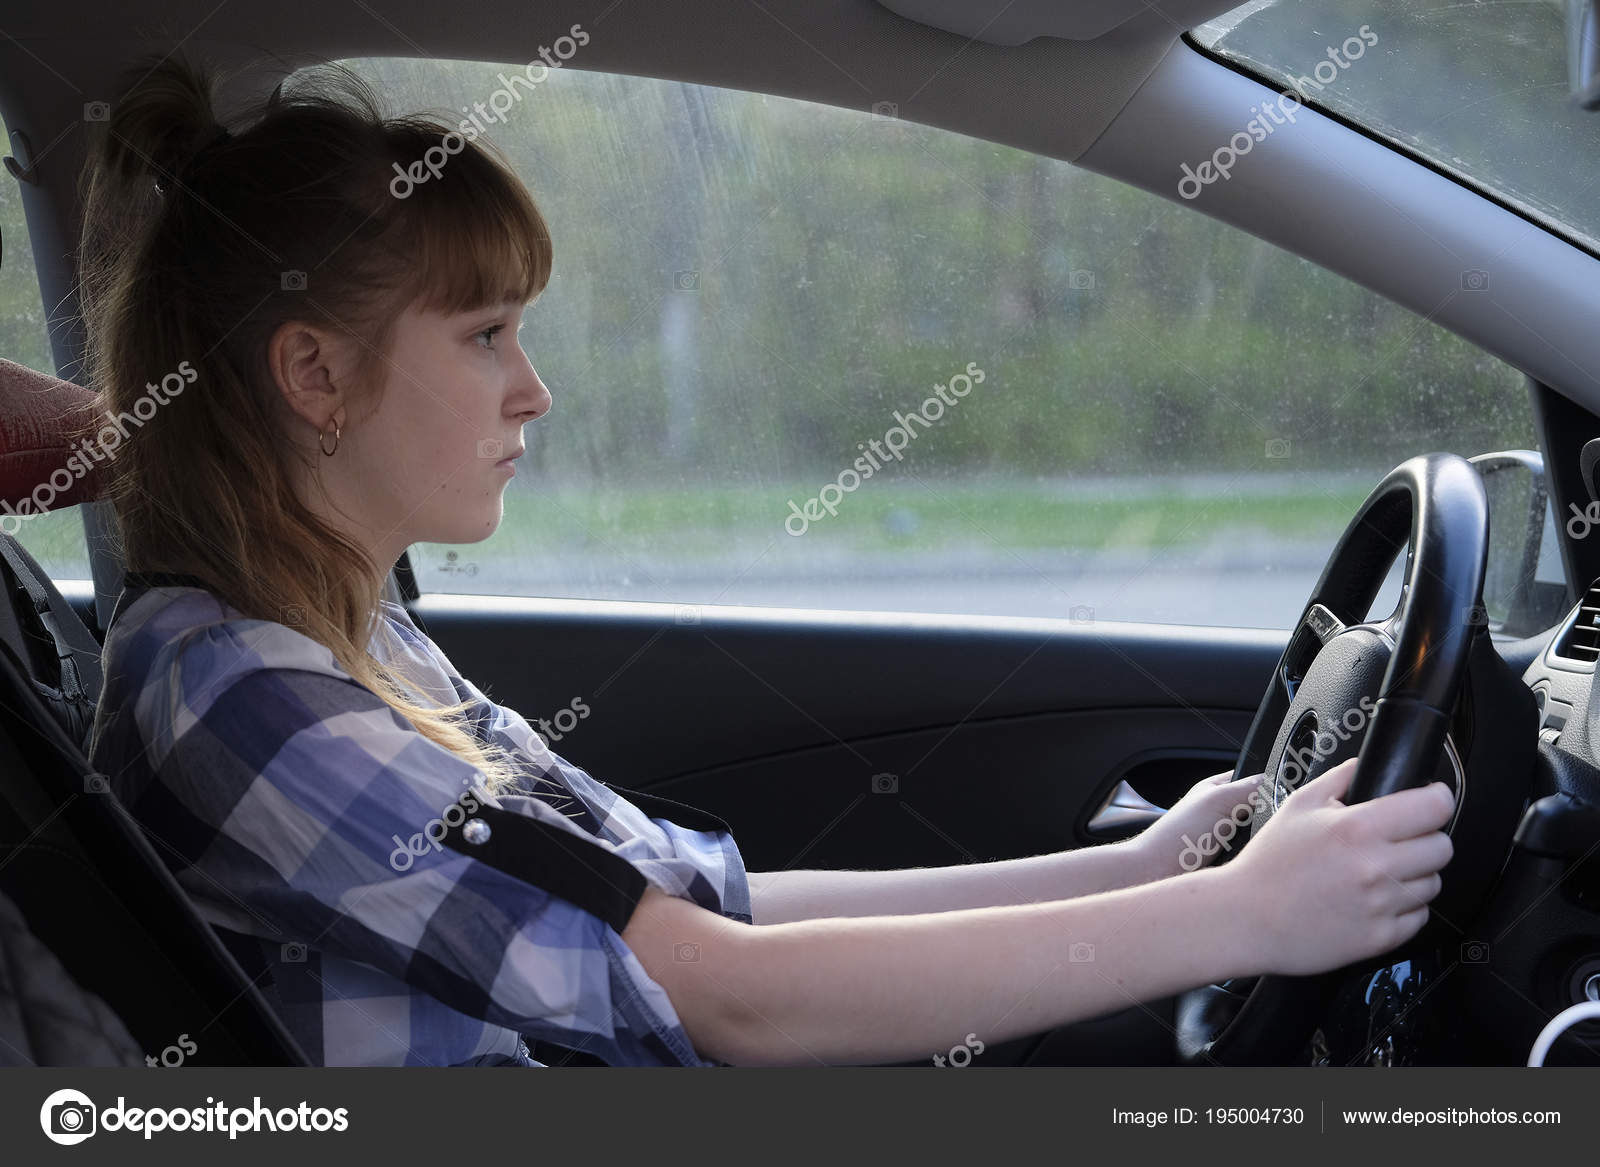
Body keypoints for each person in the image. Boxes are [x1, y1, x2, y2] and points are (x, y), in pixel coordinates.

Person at [78, 54, 1456, 1068]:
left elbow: (703, 909)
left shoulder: (349, 641)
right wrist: (1240, 920)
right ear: (315, 374)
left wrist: (1146, 871)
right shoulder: (247, 700)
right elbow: (724, 994)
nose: (534, 391)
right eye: (487, 334)